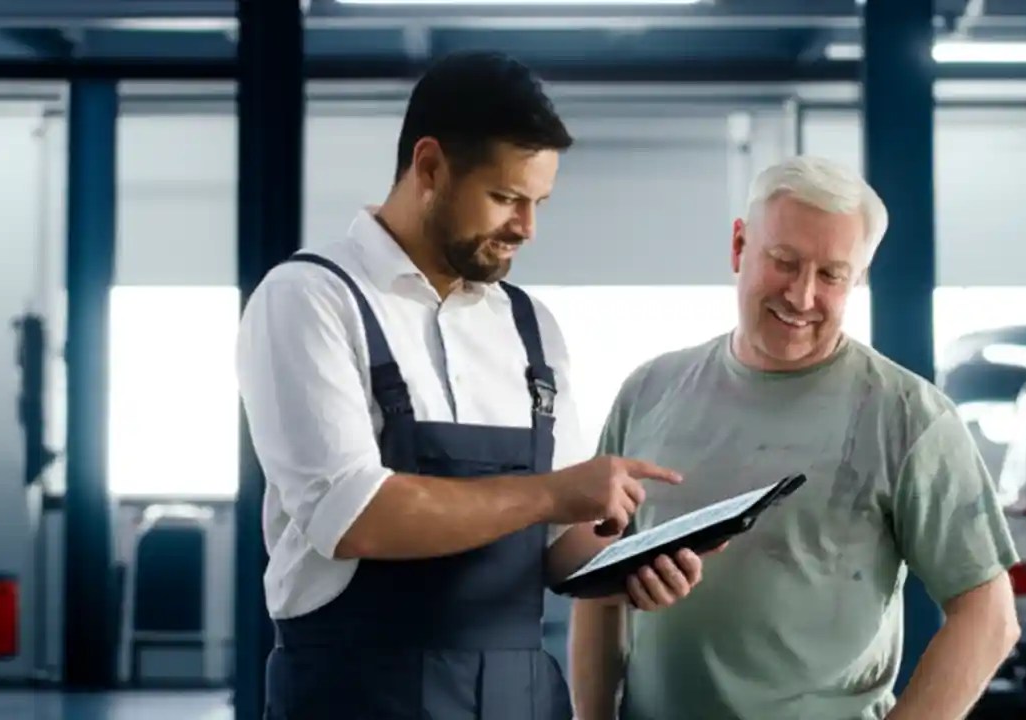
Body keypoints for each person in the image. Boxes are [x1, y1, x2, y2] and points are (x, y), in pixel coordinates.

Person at [236, 51, 714, 720]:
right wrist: (555, 492)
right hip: (357, 696)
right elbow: (353, 517)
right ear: (430, 167)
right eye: (506, 198)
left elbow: (559, 544)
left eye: (538, 203)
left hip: (520, 697)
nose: (527, 228)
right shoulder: (311, 299)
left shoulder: (529, 327)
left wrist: (634, 564)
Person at [569, 155, 1022, 720]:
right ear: (739, 246)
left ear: (858, 279)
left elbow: (989, 615)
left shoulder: (909, 416)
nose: (802, 296)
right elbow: (598, 579)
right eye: (784, 262)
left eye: (832, 275)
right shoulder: (649, 391)